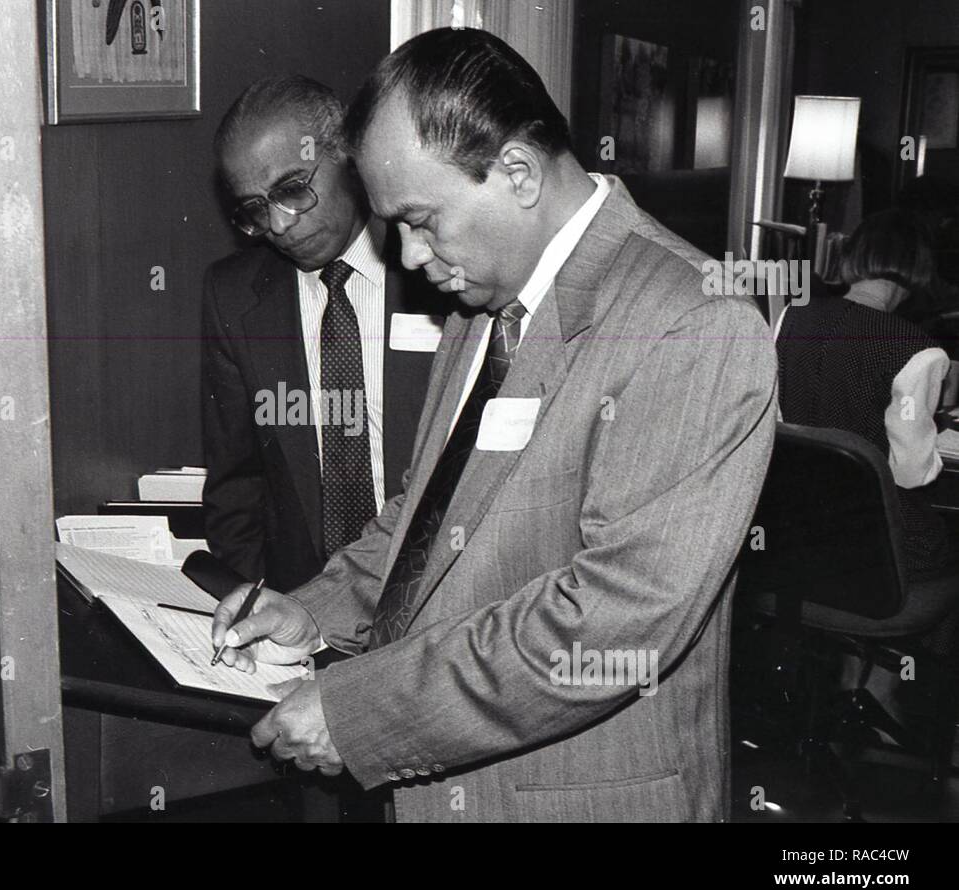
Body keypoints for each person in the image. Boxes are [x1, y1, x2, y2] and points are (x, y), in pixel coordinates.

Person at [210, 29, 777, 822]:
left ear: (516, 171)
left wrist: (361, 712)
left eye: (420, 219)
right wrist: (317, 607)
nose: (406, 255)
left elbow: (610, 622)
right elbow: (429, 518)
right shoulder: (484, 302)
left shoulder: (690, 320)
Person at [202, 75, 449, 592]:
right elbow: (235, 487)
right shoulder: (234, 297)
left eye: (292, 190)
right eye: (254, 208)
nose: (280, 224)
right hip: (302, 607)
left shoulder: (438, 267)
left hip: (435, 593)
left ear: (350, 157)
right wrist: (255, 606)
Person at [777, 208, 956, 579]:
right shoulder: (916, 350)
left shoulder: (791, 316)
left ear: (852, 257)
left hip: (794, 531)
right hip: (872, 541)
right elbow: (911, 473)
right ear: (919, 269)